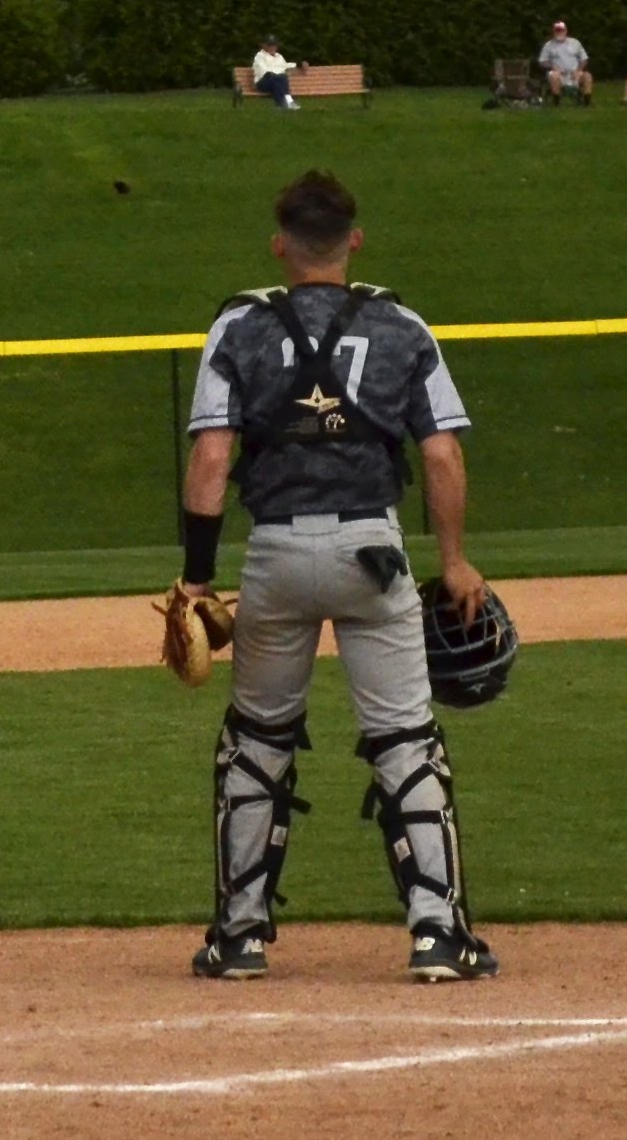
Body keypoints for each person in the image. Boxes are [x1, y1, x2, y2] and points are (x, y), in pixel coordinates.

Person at [179, 169, 499, 983]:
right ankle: (438, 934)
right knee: (405, 739)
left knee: (256, 741)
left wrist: (193, 579)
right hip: (373, 554)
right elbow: (441, 453)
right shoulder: (401, 325)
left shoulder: (238, 327)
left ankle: (239, 936)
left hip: (276, 558)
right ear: (354, 239)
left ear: (279, 242)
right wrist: (455, 560)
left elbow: (212, 458)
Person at [537, 20, 593, 106]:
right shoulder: (549, 45)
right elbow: (542, 61)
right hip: (558, 74)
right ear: (554, 32)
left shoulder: (575, 43)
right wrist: (552, 66)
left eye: (561, 30)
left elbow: (584, 59)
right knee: (554, 76)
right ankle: (556, 103)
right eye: (557, 31)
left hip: (574, 74)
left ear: (566, 31)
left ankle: (587, 103)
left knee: (587, 76)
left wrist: (579, 70)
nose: (559, 33)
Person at [251, 36, 301, 110]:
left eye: (274, 45)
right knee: (277, 76)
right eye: (270, 45)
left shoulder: (279, 56)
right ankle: (289, 102)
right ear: (264, 46)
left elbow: (285, 65)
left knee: (278, 82)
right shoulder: (260, 56)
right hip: (262, 83)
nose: (272, 47)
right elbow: (264, 71)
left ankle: (281, 105)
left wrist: (299, 65)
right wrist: (279, 71)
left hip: (275, 81)